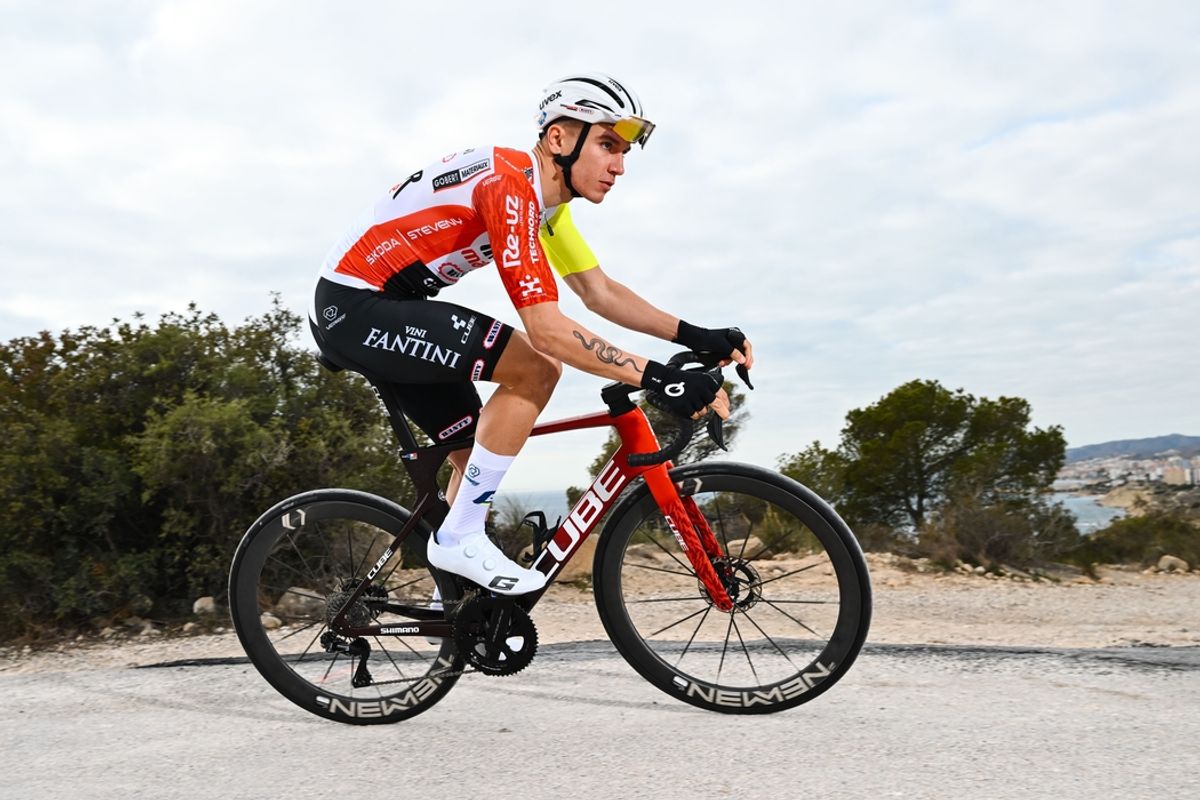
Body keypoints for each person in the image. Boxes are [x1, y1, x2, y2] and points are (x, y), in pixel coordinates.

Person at [309, 73, 753, 595]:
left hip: (387, 306)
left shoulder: (547, 206)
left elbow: (599, 292)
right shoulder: (509, 185)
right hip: (356, 307)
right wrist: (659, 378)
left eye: (624, 152)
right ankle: (458, 541)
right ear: (559, 138)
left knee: (474, 455)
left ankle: (453, 603)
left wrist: (696, 336)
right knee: (537, 368)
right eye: (608, 145)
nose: (619, 166)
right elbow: (547, 331)